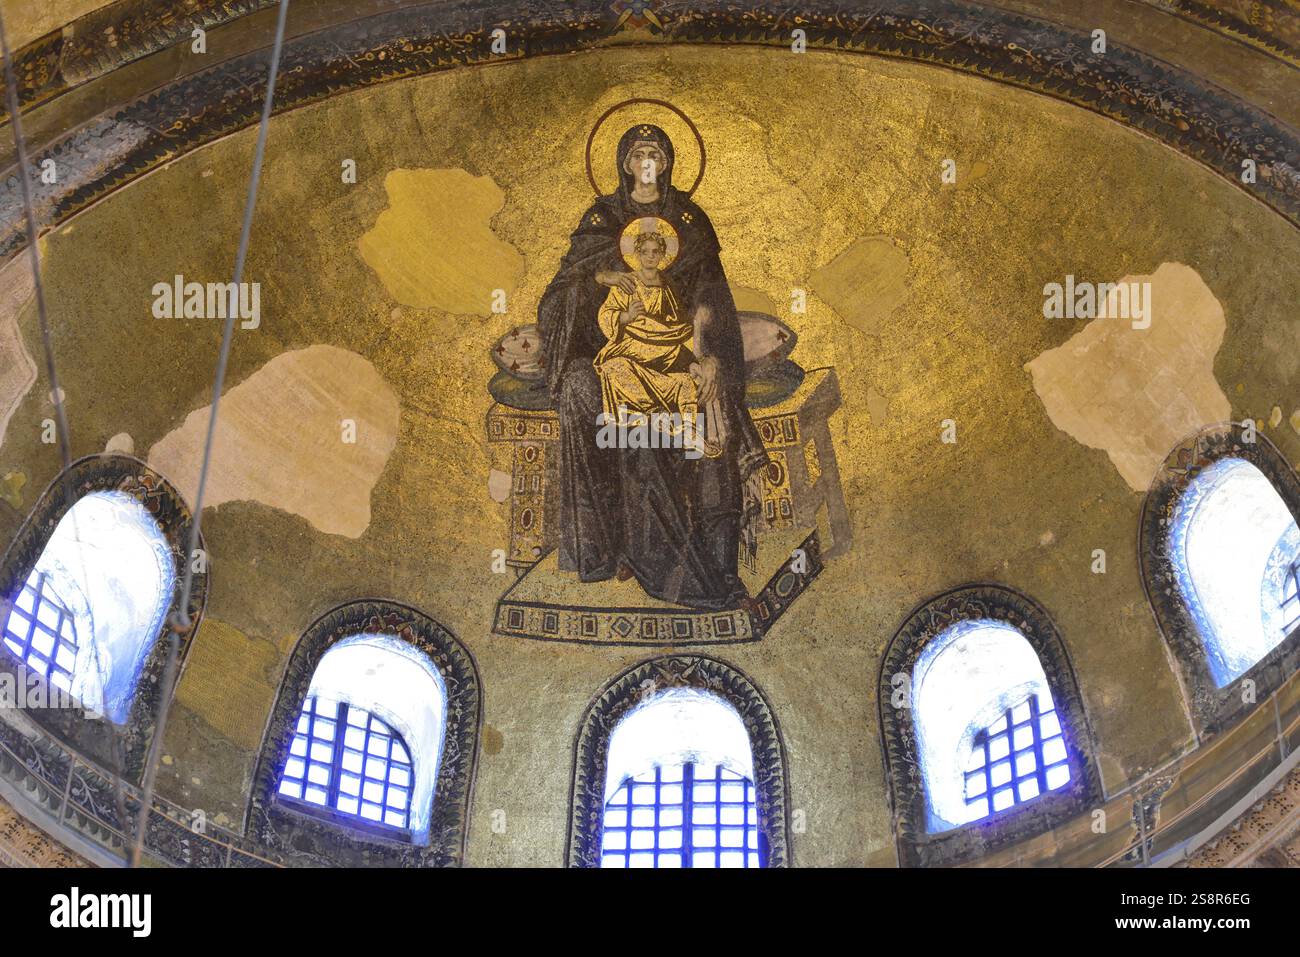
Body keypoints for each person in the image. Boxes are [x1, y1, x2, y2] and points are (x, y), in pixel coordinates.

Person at [536, 123, 767, 610]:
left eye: (656, 153)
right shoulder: (601, 219)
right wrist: (602, 277)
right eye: (638, 153)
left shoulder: (690, 219)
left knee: (709, 411)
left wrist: (708, 357)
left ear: (666, 164)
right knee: (590, 395)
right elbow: (561, 296)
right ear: (624, 164)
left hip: (680, 351)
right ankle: (609, 548)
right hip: (615, 351)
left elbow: (711, 300)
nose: (647, 161)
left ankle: (718, 568)